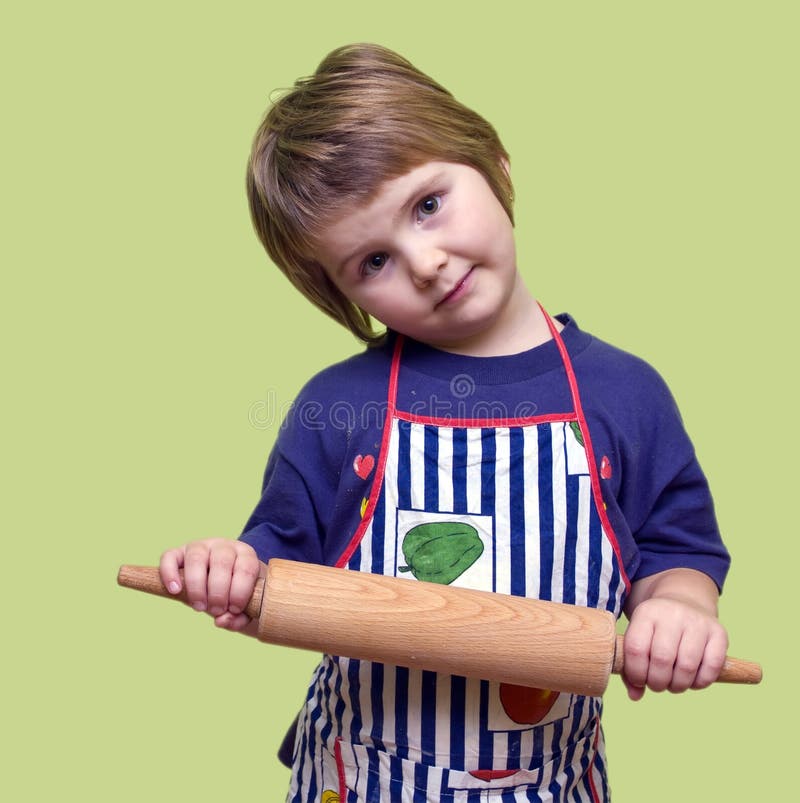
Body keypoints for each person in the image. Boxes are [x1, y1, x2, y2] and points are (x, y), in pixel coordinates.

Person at [159, 43, 730, 802]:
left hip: (545, 783)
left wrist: (679, 610)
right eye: (372, 261)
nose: (425, 261)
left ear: (492, 160)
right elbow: (274, 563)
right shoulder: (339, 409)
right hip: (362, 781)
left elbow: (676, 548)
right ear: (341, 293)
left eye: (428, 204)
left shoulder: (627, 394)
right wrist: (231, 569)